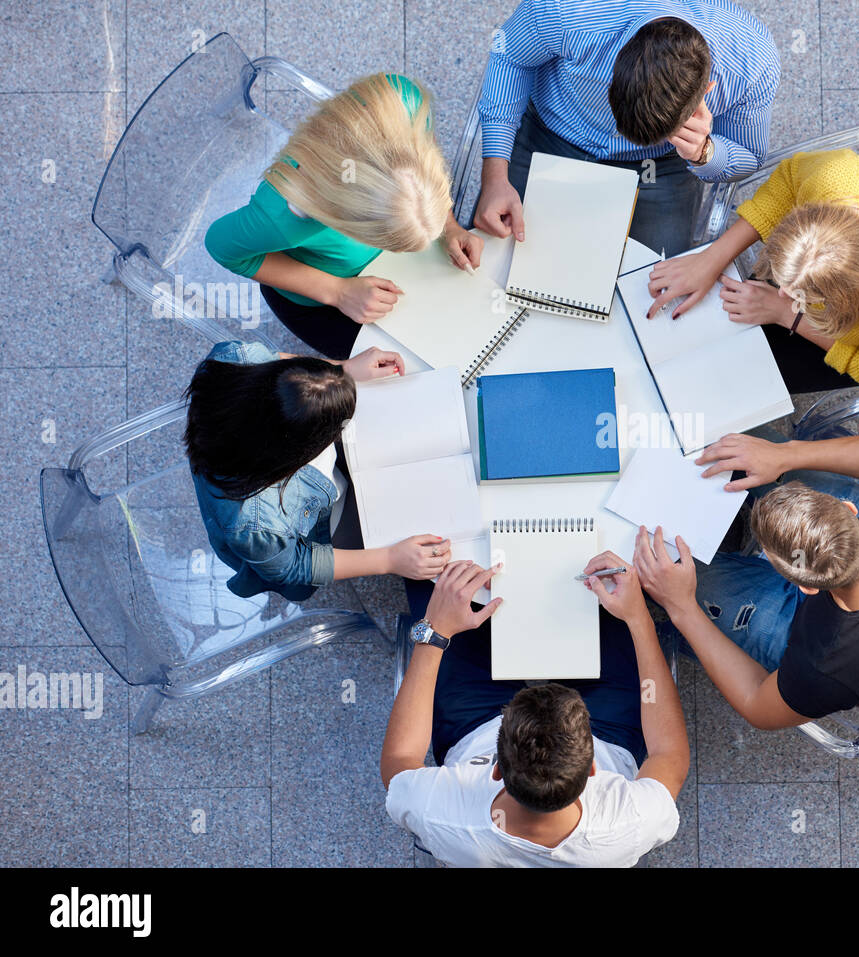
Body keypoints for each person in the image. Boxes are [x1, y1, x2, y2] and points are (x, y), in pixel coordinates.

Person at [633, 430, 859, 728]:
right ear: (850, 510)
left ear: (805, 588)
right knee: (741, 444)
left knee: (663, 572)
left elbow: (757, 704)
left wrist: (681, 608)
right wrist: (785, 454)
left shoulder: (825, 666)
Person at [383, 554, 688, 867]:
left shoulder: (439, 812)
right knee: (614, 582)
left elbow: (399, 760)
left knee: (436, 574)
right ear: (592, 769)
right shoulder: (634, 819)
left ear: (497, 768)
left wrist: (435, 632)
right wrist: (639, 620)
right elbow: (668, 754)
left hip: (472, 727)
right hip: (609, 732)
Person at [473, 0, 780, 257]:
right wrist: (494, 178)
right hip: (551, 134)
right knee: (490, 255)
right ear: (615, 65)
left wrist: (705, 152)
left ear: (707, 91)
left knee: (658, 289)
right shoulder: (567, 10)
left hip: (661, 168)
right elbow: (510, 56)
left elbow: (750, 155)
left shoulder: (752, 62)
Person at [644, 149, 859, 396]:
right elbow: (789, 180)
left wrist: (788, 316)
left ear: (841, 305)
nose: (782, 292)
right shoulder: (835, 179)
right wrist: (712, 257)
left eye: (795, 294)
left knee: (730, 375)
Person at [205, 73, 479, 360]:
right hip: (319, 296)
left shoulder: (403, 102)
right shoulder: (286, 216)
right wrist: (338, 292)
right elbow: (221, 248)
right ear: (349, 221)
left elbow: (423, 156)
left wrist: (446, 225)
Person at [185, 340, 451, 601]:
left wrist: (340, 372)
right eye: (336, 429)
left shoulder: (234, 359)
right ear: (298, 452)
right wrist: (389, 560)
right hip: (307, 531)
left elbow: (279, 367)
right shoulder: (255, 527)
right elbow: (292, 566)